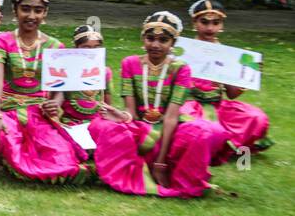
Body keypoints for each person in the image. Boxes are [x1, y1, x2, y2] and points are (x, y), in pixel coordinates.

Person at [88, 12, 229, 197]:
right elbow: (132, 112)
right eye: (150, 38)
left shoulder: (180, 68)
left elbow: (171, 116)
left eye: (163, 40)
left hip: (171, 126)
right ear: (143, 38)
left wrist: (161, 163)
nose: (155, 45)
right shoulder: (130, 63)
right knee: (102, 124)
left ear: (173, 44)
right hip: (140, 125)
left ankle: (174, 174)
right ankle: (125, 174)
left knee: (207, 131)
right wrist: (123, 116)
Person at [0, 0, 90, 183]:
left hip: (40, 111)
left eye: (38, 10)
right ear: (15, 10)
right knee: (10, 142)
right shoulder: (2, 41)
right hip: (8, 109)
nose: (31, 15)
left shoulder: (54, 45)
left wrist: (57, 103)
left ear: (45, 13)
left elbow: (59, 89)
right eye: (25, 8)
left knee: (61, 158)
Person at [179, 0, 272, 160]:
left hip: (218, 106)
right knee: (192, 123)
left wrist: (249, 75)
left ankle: (230, 149)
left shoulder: (228, 55)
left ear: (221, 25)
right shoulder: (183, 50)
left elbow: (232, 94)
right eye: (204, 22)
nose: (210, 28)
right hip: (189, 104)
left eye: (216, 23)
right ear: (194, 22)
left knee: (257, 118)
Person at [56, 24, 117, 127]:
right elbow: (57, 100)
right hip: (69, 122)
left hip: (97, 124)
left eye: (96, 48)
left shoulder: (105, 72)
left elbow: (107, 104)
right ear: (76, 48)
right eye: (86, 47)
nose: (91, 52)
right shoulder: (65, 71)